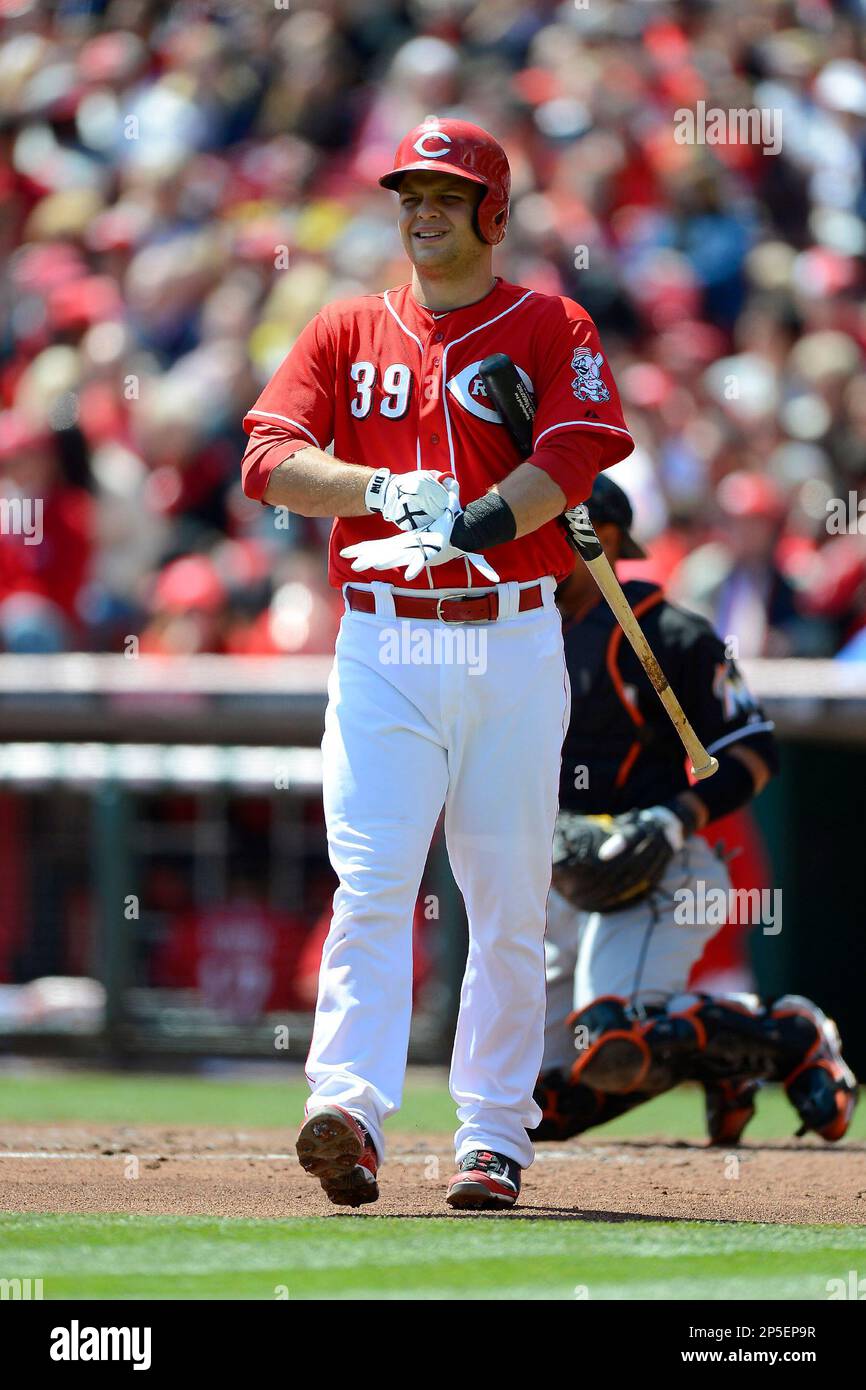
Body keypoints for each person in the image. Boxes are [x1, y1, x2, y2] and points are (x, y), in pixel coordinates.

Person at [240, 118, 634, 1209]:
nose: (421, 211)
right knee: (370, 883)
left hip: (509, 628)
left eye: (446, 196)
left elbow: (576, 456)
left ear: (490, 214)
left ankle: (492, 1132)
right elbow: (267, 459)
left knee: (504, 898)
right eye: (409, 194)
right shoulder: (343, 328)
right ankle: (350, 1110)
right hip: (382, 639)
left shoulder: (550, 324)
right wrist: (373, 489)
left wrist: (484, 516)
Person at [533, 474, 858, 1147]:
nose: (534, 539)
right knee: (539, 1106)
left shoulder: (672, 633)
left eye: (549, 525)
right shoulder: (518, 628)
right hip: (565, 878)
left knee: (613, 1039)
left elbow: (754, 748)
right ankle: (729, 1055)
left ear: (603, 536)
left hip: (658, 867)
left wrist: (676, 815)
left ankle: (793, 1036)